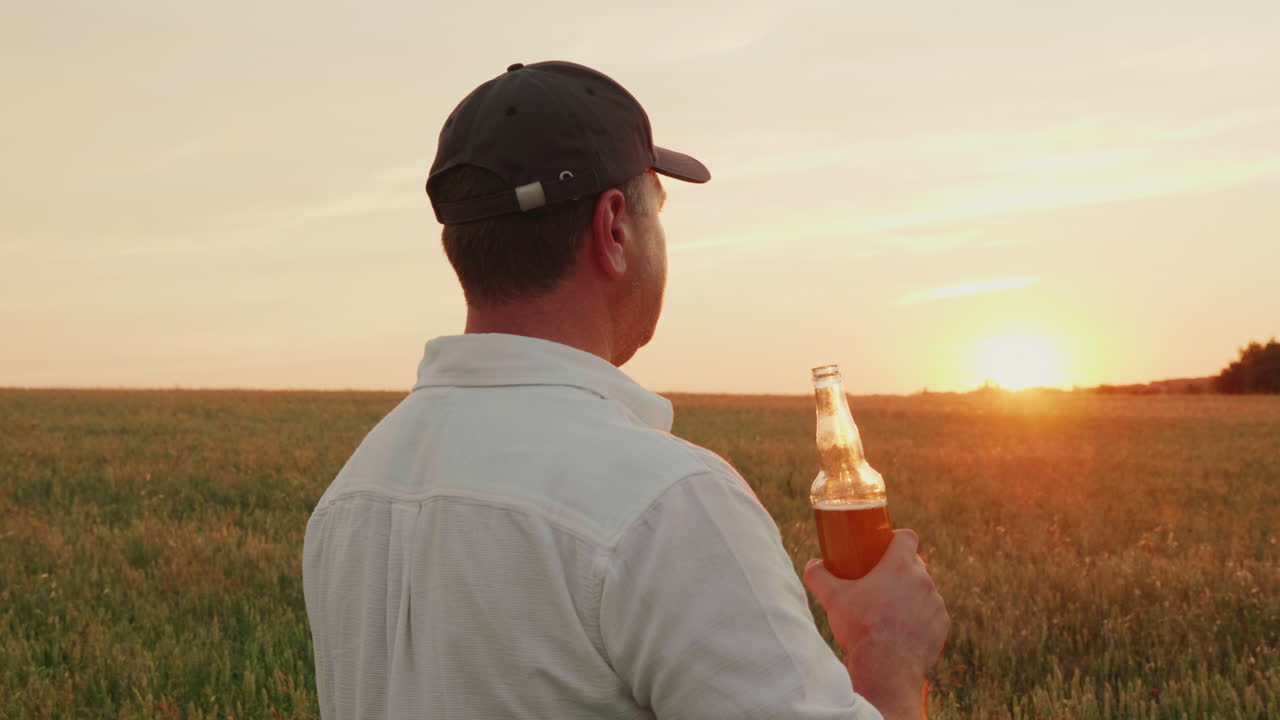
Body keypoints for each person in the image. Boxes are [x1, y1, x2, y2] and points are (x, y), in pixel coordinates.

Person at [302, 60, 949, 720]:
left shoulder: (351, 496)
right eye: (658, 207)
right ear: (614, 229)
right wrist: (886, 660)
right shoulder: (665, 506)